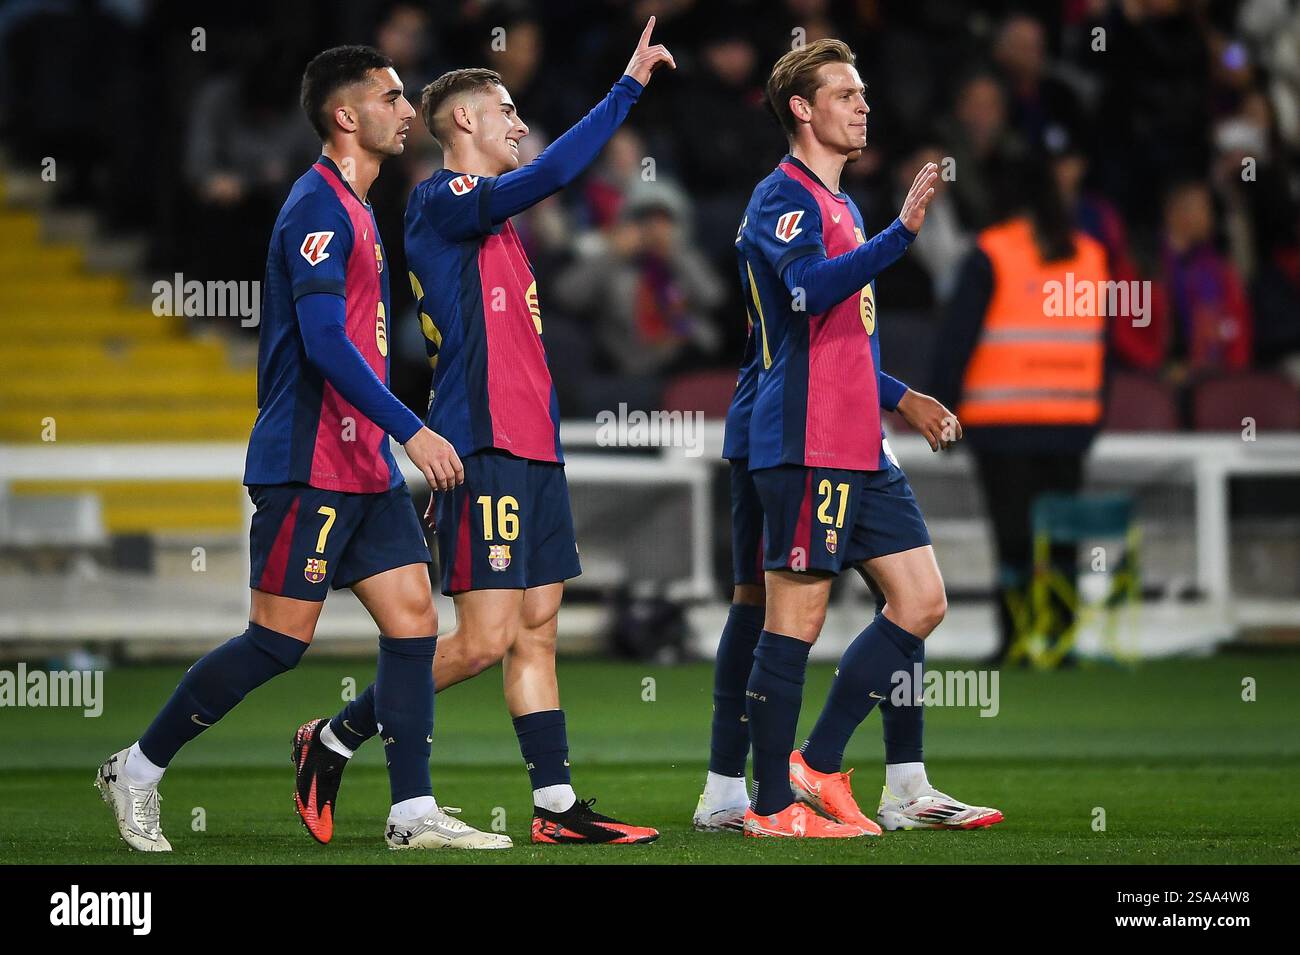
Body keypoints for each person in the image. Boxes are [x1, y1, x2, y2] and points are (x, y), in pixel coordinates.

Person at [95, 45, 505, 853]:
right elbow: (324, 344)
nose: (406, 109)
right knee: (278, 642)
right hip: (306, 460)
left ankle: (413, 812)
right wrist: (412, 426)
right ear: (347, 115)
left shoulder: (357, 207)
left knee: (416, 623)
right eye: (391, 97)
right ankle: (136, 767)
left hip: (361, 468)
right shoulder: (318, 207)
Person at [291, 18, 675, 846]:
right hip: (483, 447)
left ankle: (557, 805)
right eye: (505, 111)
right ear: (464, 121)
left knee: (538, 627)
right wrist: (626, 87)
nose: (519, 125)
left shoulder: (496, 227)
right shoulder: (440, 202)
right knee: (481, 639)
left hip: (536, 447)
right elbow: (555, 171)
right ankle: (333, 736)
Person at [709, 38, 1003, 839]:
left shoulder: (843, 206)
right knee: (791, 623)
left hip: (858, 443)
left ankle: (830, 762)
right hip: (802, 441)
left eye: (864, 93)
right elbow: (804, 295)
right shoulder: (784, 199)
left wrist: (901, 395)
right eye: (845, 94)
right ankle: (769, 802)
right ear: (802, 109)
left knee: (922, 600)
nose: (863, 105)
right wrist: (901, 236)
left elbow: (844, 350)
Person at [931, 156, 1110, 664]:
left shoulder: (992, 252)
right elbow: (1104, 347)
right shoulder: (1091, 257)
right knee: (1062, 540)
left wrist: (942, 414)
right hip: (1069, 423)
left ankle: (1015, 640)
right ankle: (1062, 638)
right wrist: (1094, 414)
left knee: (1014, 539)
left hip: (1001, 425)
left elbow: (956, 342)